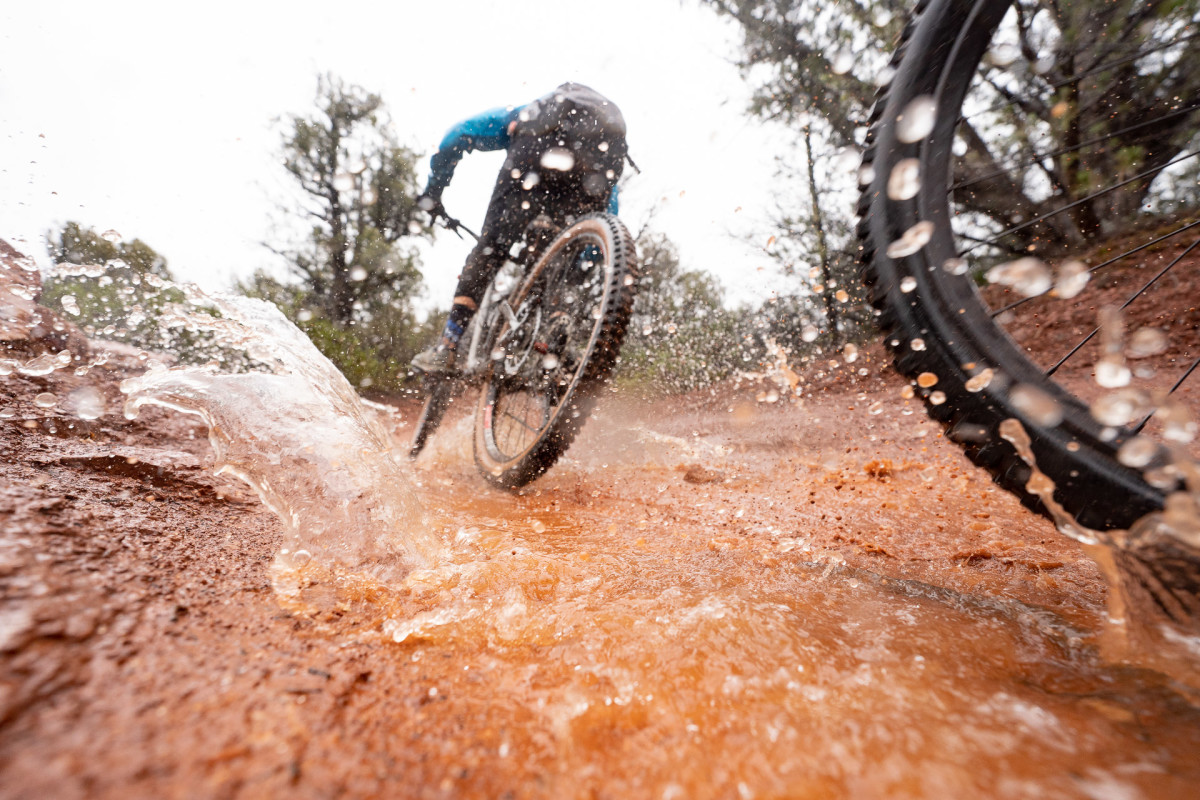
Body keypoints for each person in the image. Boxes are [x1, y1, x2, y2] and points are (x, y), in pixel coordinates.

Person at [411, 82, 628, 374]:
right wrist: (582, 261)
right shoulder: (595, 126)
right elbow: (608, 216)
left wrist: (433, 193)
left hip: (533, 154)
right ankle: (557, 326)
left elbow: (457, 135)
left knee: (491, 249)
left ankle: (447, 346)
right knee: (565, 255)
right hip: (604, 156)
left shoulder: (520, 114)